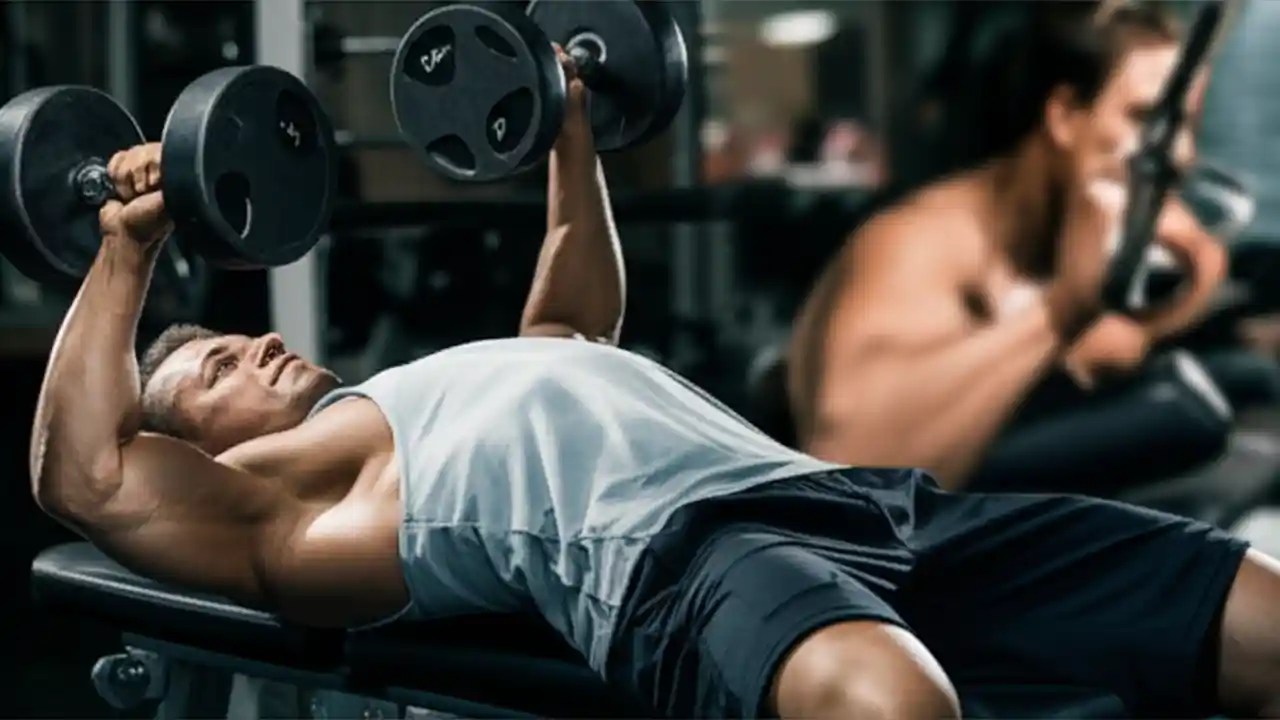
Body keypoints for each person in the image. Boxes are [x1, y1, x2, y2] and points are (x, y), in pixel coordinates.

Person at [29, 52, 1280, 720]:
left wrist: (568, 134)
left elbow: (573, 319)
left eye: (234, 339)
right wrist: (128, 248)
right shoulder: (293, 507)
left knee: (1252, 615)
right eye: (208, 370)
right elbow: (80, 475)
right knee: (893, 707)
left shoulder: (428, 387)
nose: (249, 348)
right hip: (681, 558)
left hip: (867, 504)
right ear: (191, 447)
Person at [788, 1, 1229, 488]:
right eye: (1145, 117)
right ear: (1064, 116)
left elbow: (1112, 345)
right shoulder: (923, 243)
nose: (1181, 154)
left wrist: (1179, 290)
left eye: (1185, 126)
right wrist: (1063, 312)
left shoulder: (1063, 238)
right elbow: (848, 459)